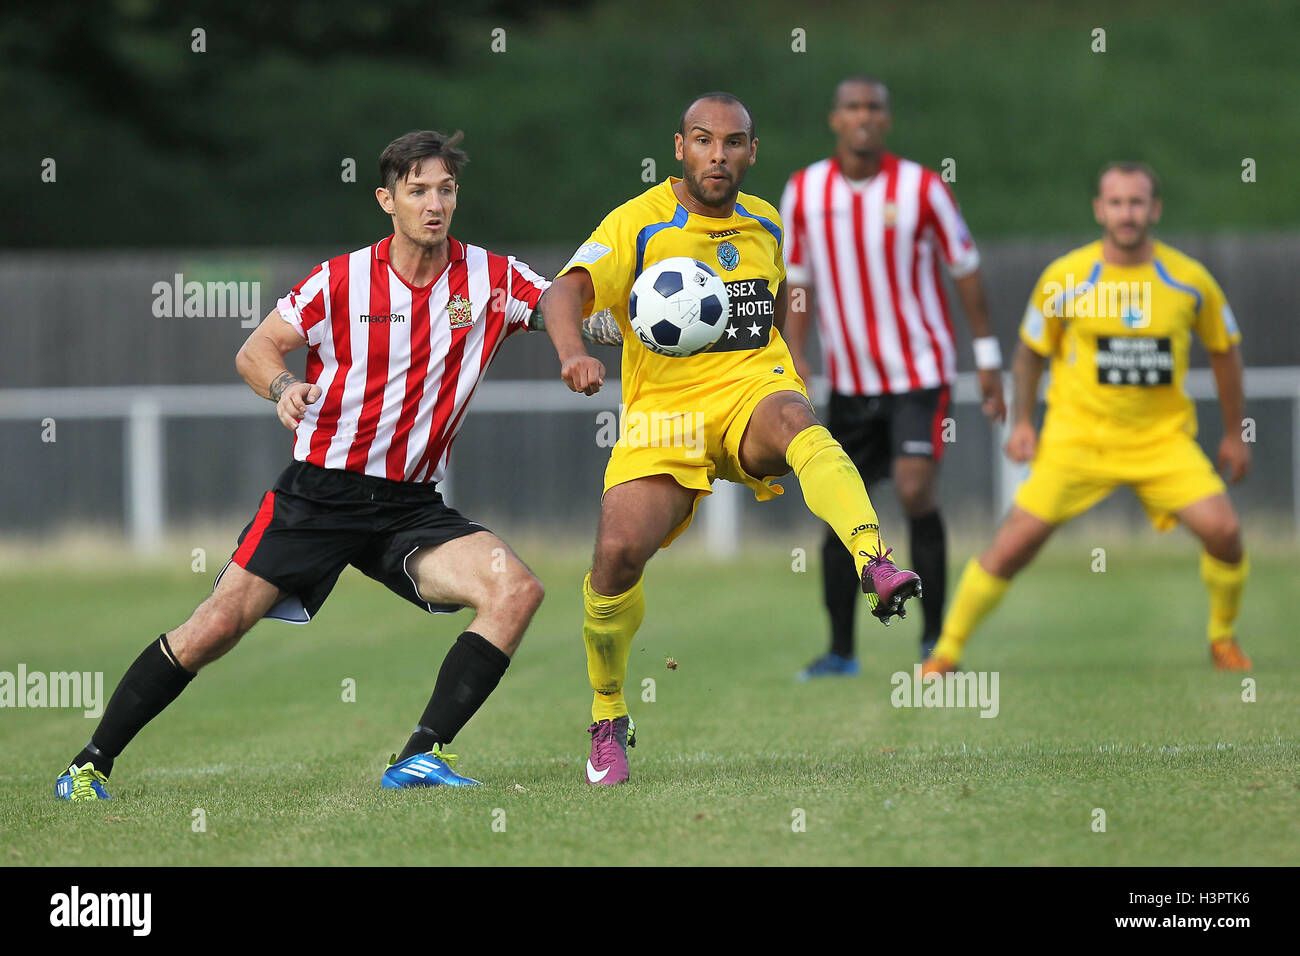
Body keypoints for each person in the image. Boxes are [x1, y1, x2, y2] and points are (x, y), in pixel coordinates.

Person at [55, 129, 576, 800]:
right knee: (215, 628)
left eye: (446, 189)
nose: (435, 203)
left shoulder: (490, 278)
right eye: (418, 191)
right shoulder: (340, 281)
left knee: (517, 589)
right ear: (387, 199)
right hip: (318, 496)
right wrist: (281, 387)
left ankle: (419, 756)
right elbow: (257, 350)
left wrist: (609, 326)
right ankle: (88, 764)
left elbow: (559, 299)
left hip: (410, 508)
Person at [538, 91, 922, 787]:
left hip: (751, 389)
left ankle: (876, 559)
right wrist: (573, 351)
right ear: (680, 147)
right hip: (666, 416)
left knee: (802, 425)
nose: (719, 154)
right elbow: (562, 294)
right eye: (704, 140)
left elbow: (773, 306)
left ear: (752, 152)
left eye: (734, 142)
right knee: (617, 558)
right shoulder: (638, 222)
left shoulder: (766, 224)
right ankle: (607, 716)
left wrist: (789, 371)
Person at [923, 161, 1252, 676]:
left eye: (1137, 202)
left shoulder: (1190, 281)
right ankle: (946, 651)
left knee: (1225, 532)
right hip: (1078, 441)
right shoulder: (1066, 277)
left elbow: (1225, 351)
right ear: (1100, 209)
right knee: (1013, 546)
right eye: (1116, 202)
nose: (1127, 213)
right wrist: (1024, 422)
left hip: (1162, 442)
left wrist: (1235, 434)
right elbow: (1031, 352)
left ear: (1155, 209)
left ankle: (1222, 638)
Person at [779, 74, 1005, 677]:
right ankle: (840, 651)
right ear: (835, 118)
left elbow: (966, 269)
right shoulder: (804, 191)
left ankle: (934, 643)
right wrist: (795, 355)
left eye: (873, 108)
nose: (863, 117)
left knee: (912, 489)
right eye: (852, 107)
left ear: (887, 120)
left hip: (919, 373)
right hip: (850, 383)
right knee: (841, 511)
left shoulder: (923, 188)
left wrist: (985, 355)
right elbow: (796, 282)